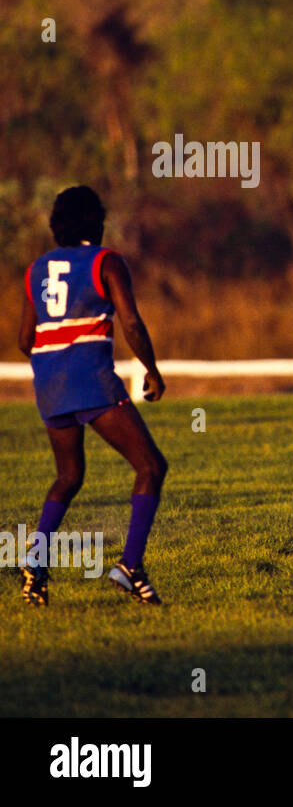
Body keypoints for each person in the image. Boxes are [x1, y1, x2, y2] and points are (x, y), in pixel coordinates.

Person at [17, 185, 168, 606]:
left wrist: (58, 356)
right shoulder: (107, 261)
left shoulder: (36, 270)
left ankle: (35, 561)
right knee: (151, 465)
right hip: (91, 381)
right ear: (96, 223)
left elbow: (25, 339)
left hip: (48, 385)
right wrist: (152, 370)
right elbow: (132, 323)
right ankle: (130, 566)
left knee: (69, 477)